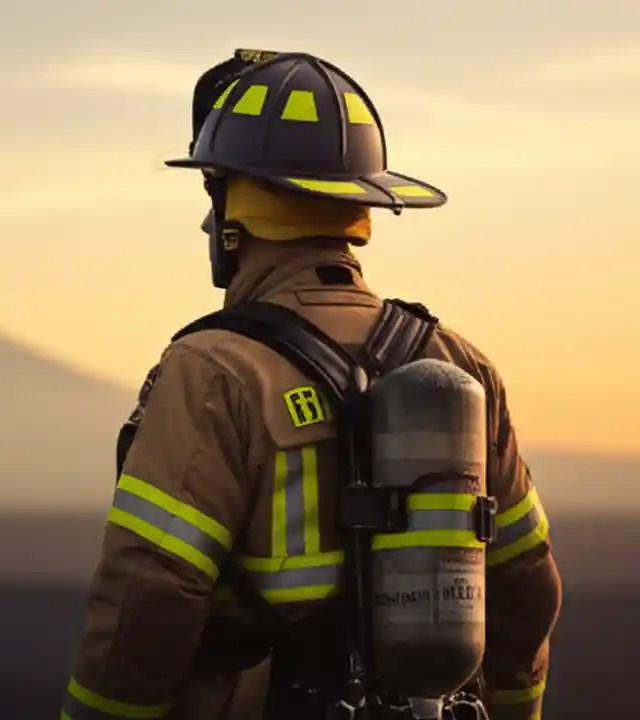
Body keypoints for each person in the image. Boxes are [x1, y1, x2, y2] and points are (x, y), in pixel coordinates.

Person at [60, 50, 561, 720]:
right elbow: (527, 587)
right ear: (356, 205)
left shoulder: (213, 372)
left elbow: (148, 597)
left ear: (233, 215)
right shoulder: (461, 367)